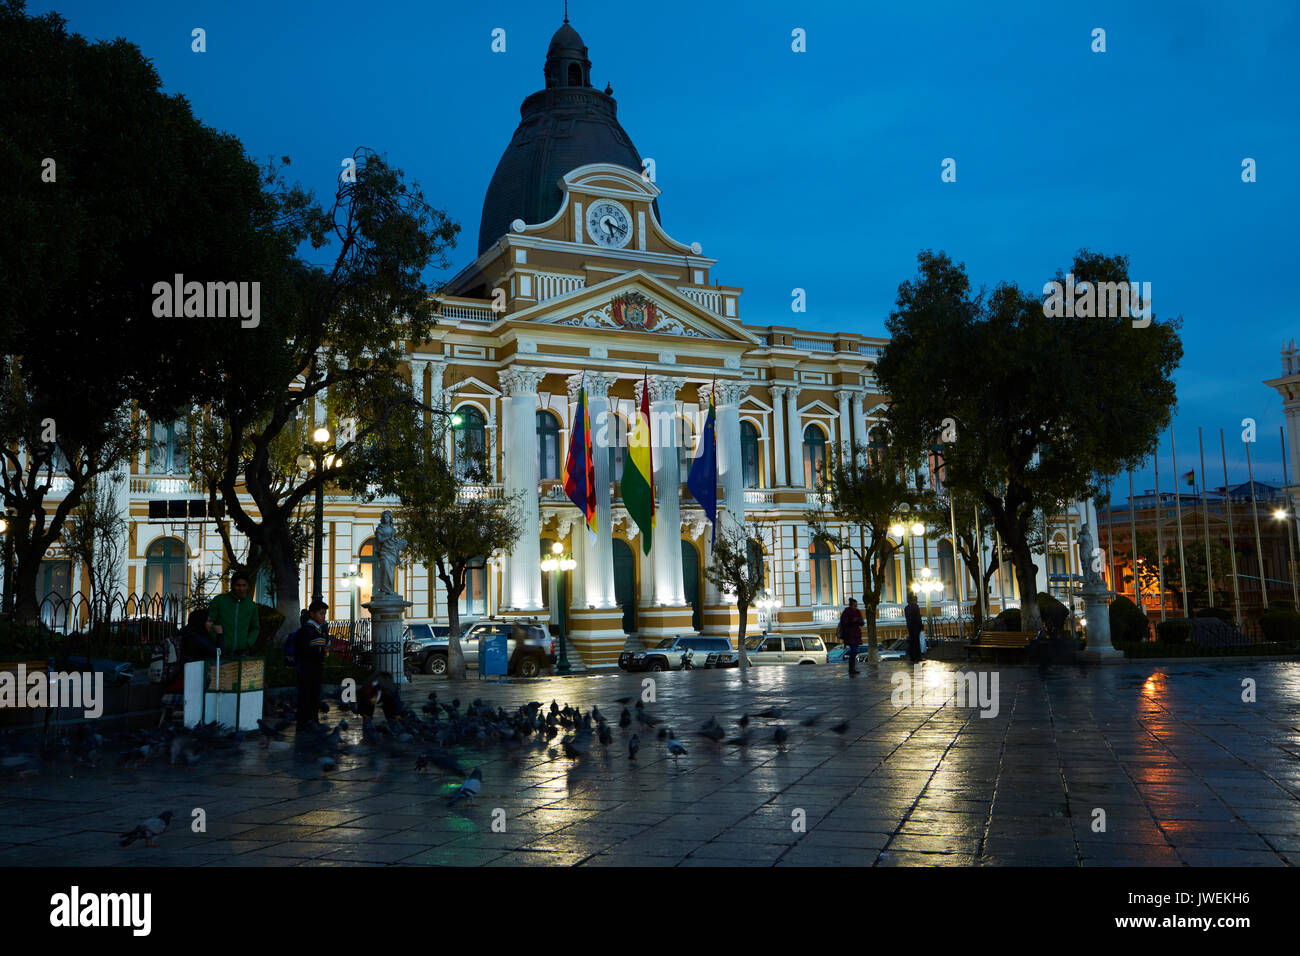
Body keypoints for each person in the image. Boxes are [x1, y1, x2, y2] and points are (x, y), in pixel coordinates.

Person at [293, 599, 329, 731]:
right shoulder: (306, 630)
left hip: (316, 667)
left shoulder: (320, 629)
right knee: (306, 694)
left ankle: (313, 719)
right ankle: (304, 721)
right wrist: (320, 650)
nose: (323, 616)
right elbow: (303, 650)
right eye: (321, 614)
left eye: (324, 614)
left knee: (315, 694)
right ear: (312, 614)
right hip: (307, 667)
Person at [207, 570, 260, 655]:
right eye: (238, 585)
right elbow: (209, 623)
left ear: (248, 587)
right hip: (221, 652)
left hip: (241, 652)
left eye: (244, 585)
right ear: (232, 586)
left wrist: (248, 642)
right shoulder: (219, 600)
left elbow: (255, 627)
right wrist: (216, 640)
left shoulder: (251, 605)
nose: (241, 589)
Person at [838, 598, 864, 675]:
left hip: (856, 635)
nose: (856, 607)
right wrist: (853, 620)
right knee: (853, 651)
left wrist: (859, 620)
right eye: (854, 605)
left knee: (854, 651)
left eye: (856, 605)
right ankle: (851, 669)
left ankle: (852, 668)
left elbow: (862, 623)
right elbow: (844, 622)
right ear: (851, 605)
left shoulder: (858, 612)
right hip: (849, 635)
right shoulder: (846, 612)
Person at [905, 590, 924, 662]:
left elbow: (909, 618)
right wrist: (921, 626)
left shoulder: (906, 608)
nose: (917, 601)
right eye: (916, 600)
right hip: (916, 627)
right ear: (914, 600)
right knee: (916, 642)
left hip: (910, 627)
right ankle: (918, 657)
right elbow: (917, 618)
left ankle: (912, 657)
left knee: (912, 642)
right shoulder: (916, 607)